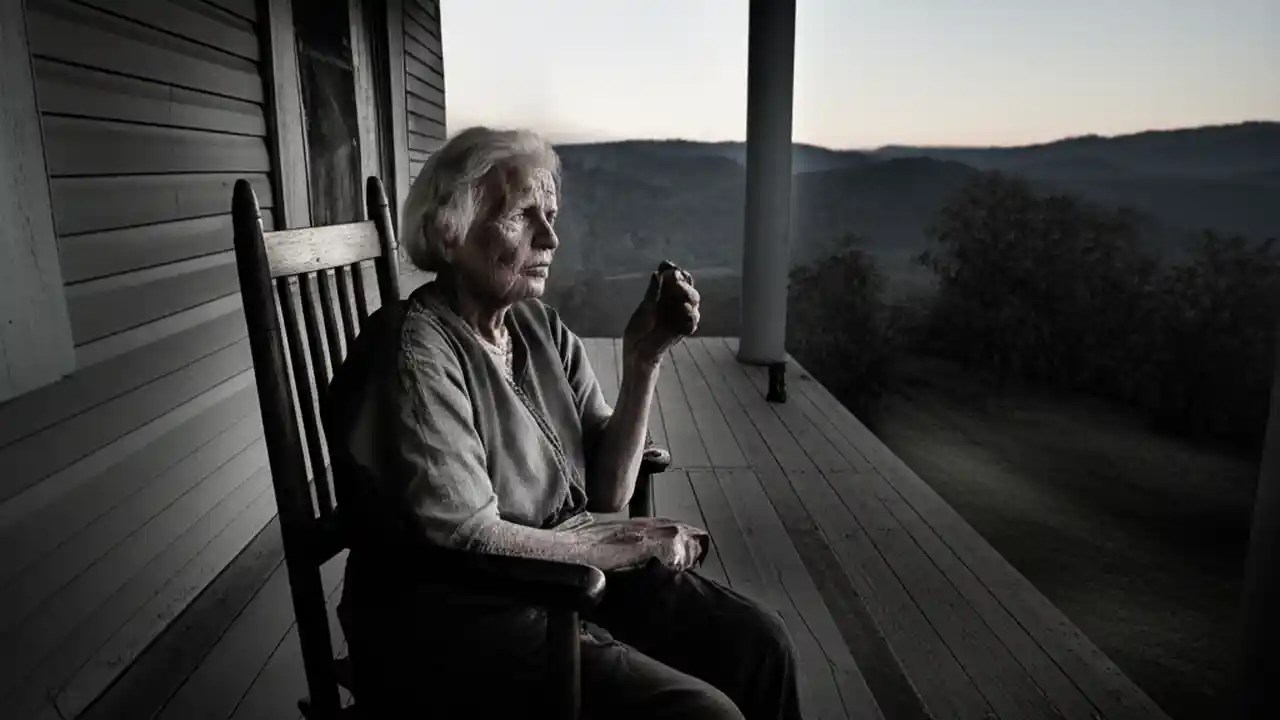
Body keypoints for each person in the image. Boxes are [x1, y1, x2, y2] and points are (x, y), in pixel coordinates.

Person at [331, 127, 802, 719]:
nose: (550, 237)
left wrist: (644, 358)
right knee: (705, 715)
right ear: (449, 231)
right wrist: (616, 544)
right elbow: (470, 538)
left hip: (566, 584)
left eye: (550, 215)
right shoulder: (416, 352)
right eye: (523, 215)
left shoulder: (541, 328)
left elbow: (609, 489)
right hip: (464, 620)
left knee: (760, 644)